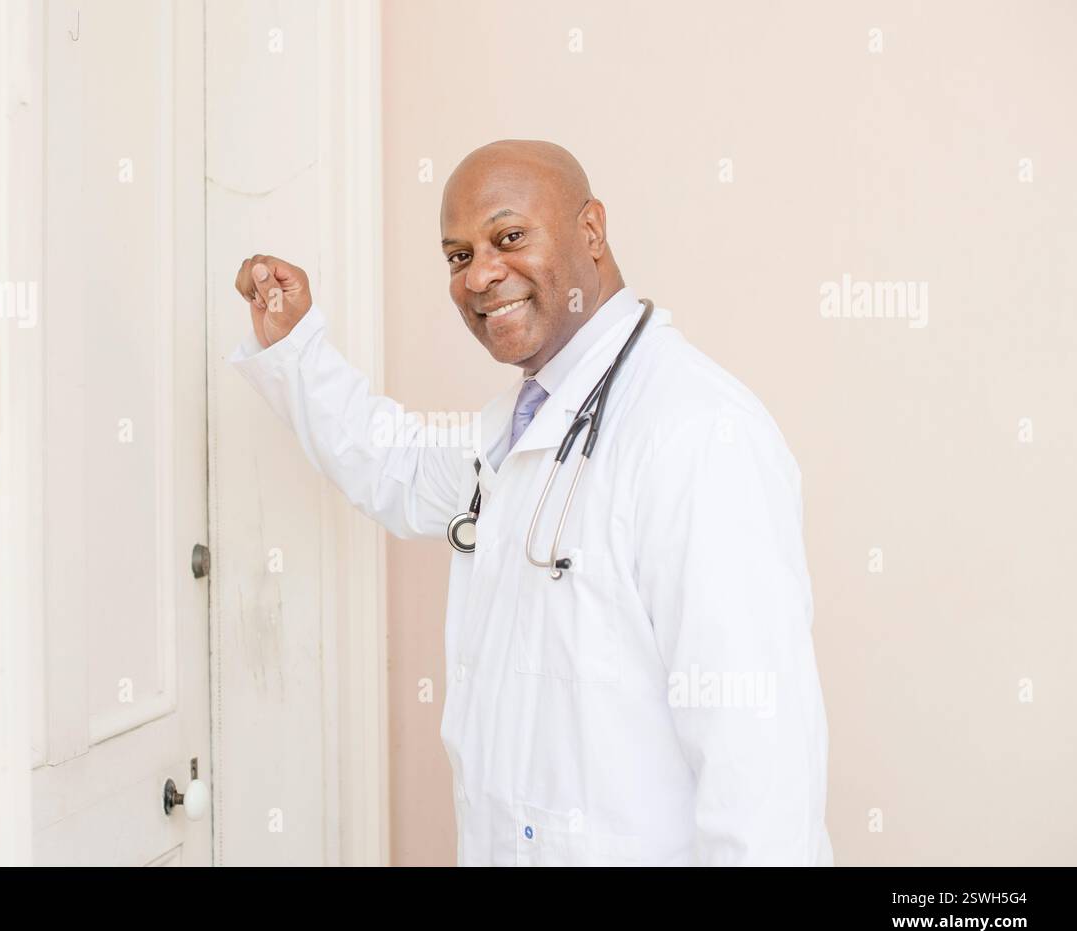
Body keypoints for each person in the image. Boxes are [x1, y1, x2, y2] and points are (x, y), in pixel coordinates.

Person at [229, 139, 833, 866]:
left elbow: (758, 768)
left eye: (509, 237)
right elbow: (397, 466)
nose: (481, 274)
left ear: (592, 232)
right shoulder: (521, 424)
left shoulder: (699, 433)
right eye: (458, 255)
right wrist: (299, 350)